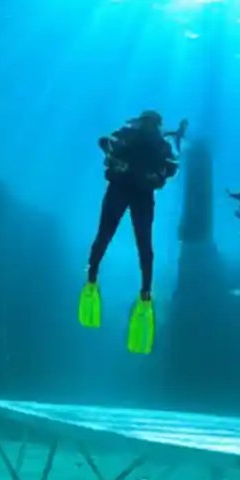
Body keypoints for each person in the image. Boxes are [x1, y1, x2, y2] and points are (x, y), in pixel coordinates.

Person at [79, 110, 183, 354]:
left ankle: (93, 278)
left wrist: (117, 159)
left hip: (125, 190)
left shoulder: (137, 135)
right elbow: (171, 167)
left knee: (108, 237)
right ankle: (143, 292)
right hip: (135, 192)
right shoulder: (153, 140)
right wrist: (154, 172)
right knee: (141, 245)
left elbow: (104, 142)